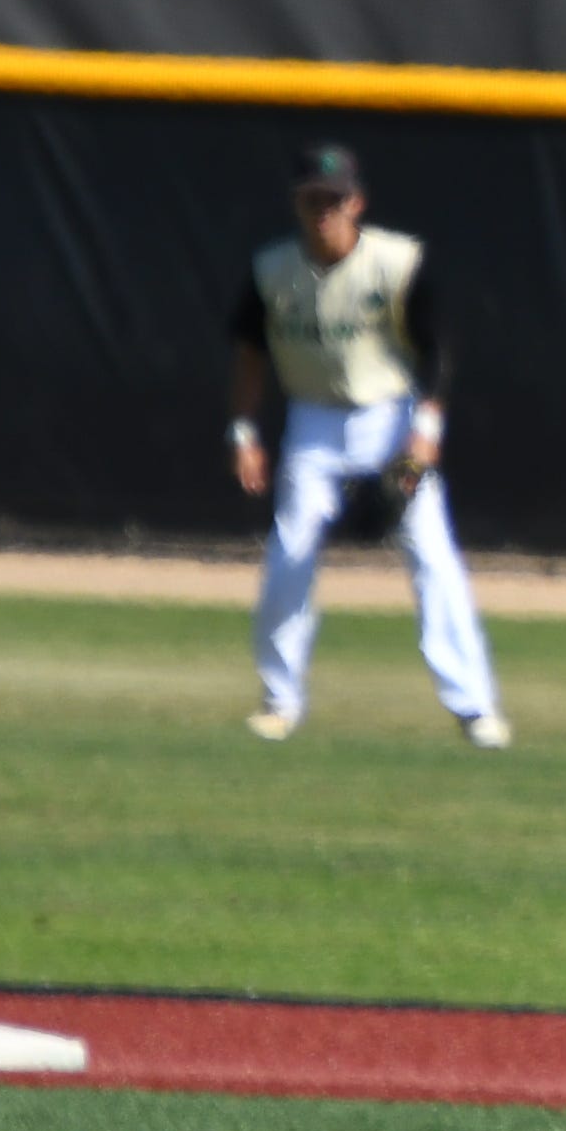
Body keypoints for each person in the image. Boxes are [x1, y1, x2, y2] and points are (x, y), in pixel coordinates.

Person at [226, 142, 507, 748]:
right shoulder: (273, 270)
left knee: (432, 555)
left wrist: (425, 433)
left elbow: (438, 349)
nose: (324, 210)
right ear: (297, 203)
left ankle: (474, 706)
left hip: (390, 418)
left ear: (357, 202)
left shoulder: (396, 262)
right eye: (313, 199)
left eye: (335, 199)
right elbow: (249, 352)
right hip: (313, 425)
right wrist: (244, 432)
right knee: (290, 552)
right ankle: (279, 700)